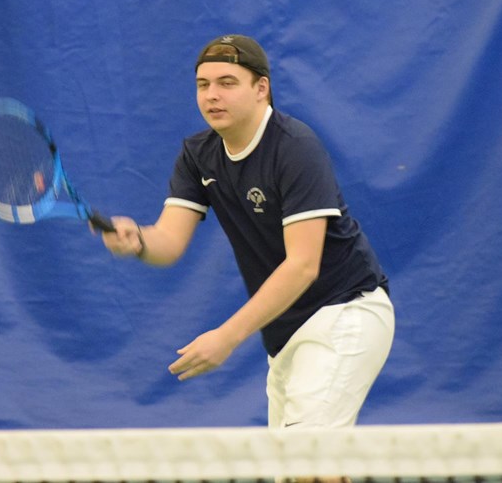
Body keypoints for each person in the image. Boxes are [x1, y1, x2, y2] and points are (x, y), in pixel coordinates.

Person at [102, 34, 394, 480]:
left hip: (344, 314)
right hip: (285, 334)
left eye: (227, 83)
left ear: (261, 88)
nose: (212, 95)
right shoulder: (198, 155)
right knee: (304, 470)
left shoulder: (294, 146)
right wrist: (138, 240)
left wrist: (227, 337)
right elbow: (169, 242)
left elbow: (303, 265)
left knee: (307, 461)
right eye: (203, 85)